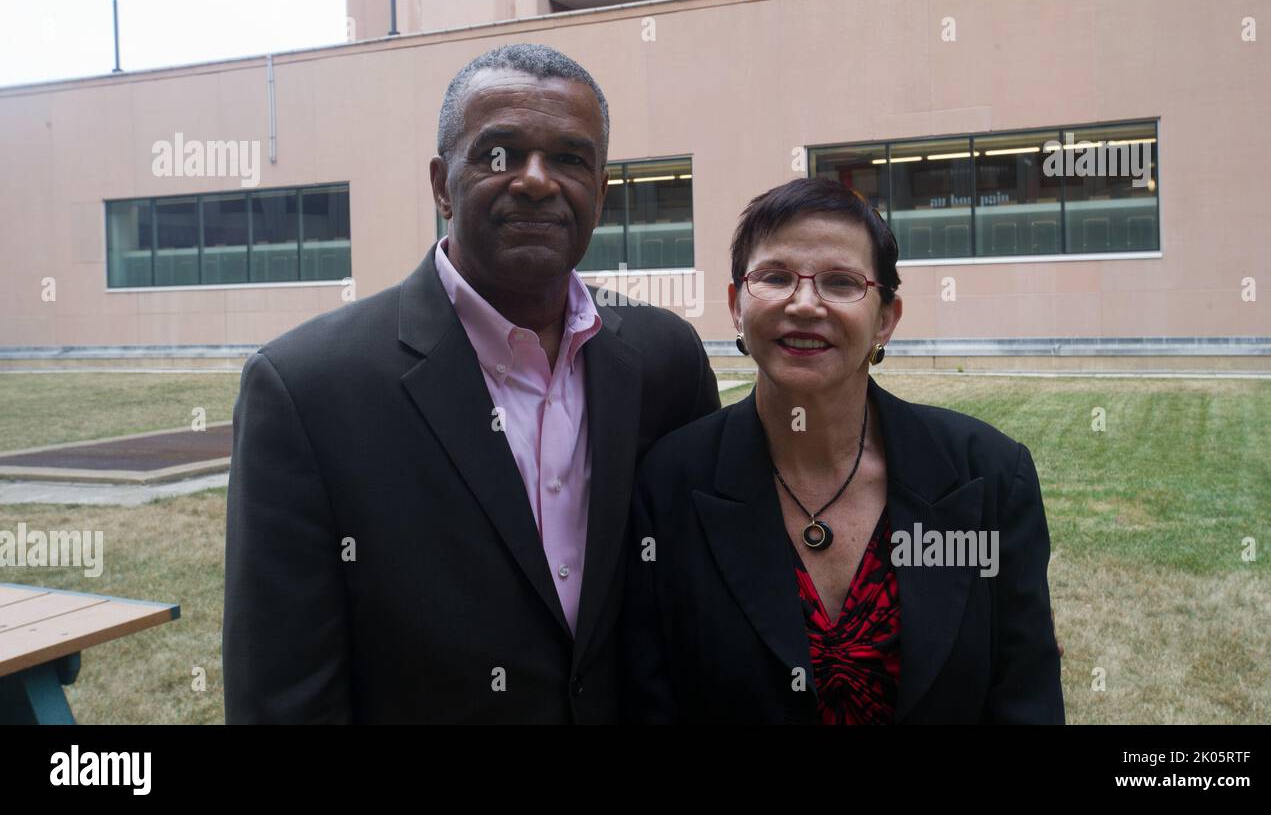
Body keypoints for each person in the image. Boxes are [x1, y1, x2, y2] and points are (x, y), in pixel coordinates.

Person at [223, 43, 719, 723]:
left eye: (571, 158)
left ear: (601, 192)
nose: (537, 180)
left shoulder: (665, 358)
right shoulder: (306, 389)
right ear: (439, 183)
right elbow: (283, 694)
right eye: (499, 153)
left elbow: (693, 608)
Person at [621, 177, 1064, 724]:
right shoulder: (666, 487)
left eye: (840, 282)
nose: (805, 305)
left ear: (886, 318)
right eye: (776, 277)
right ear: (736, 305)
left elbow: (1026, 699)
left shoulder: (990, 476)